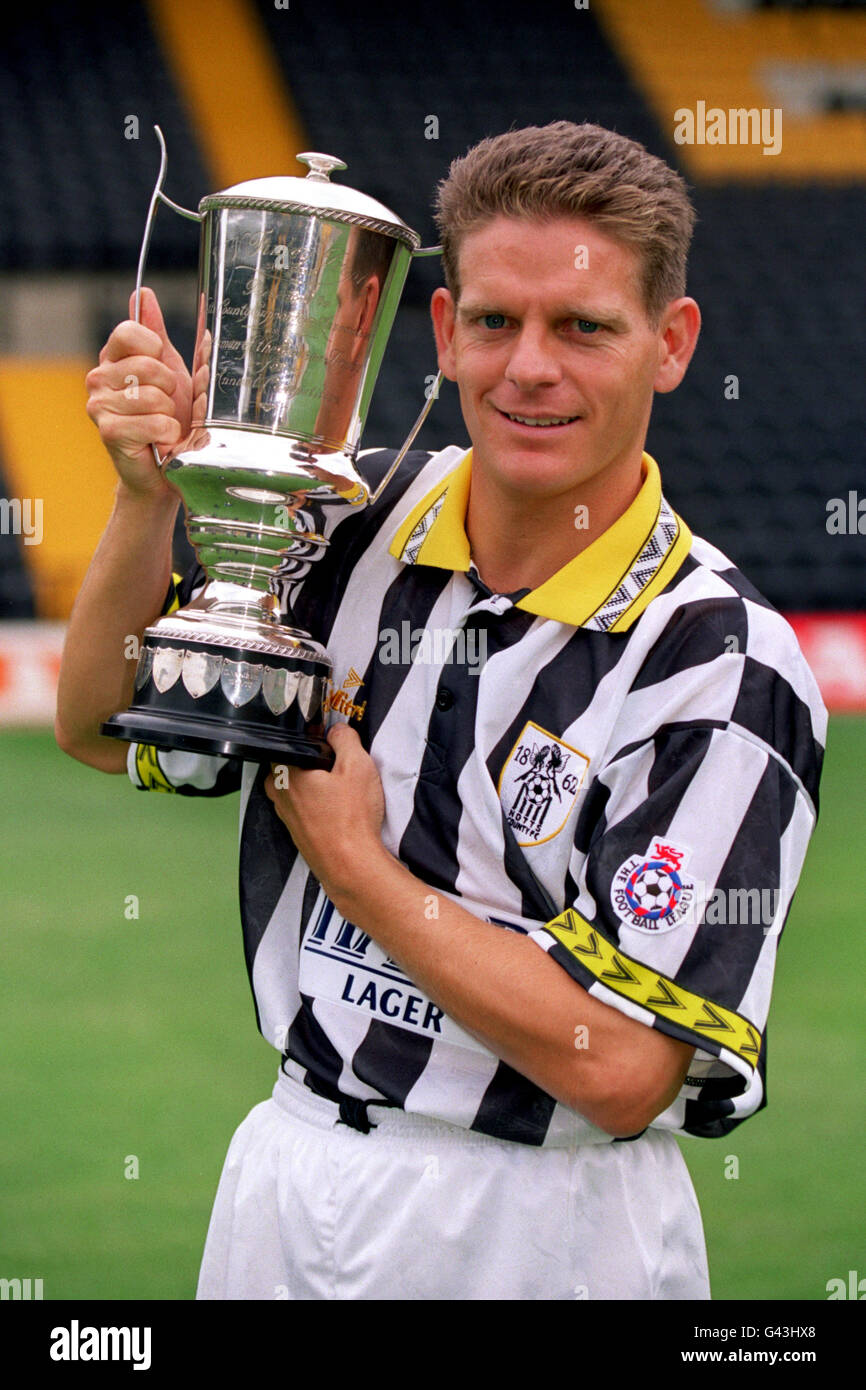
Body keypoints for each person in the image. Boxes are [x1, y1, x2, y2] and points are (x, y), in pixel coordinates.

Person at [57, 121, 826, 1301]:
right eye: (493, 321)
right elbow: (101, 727)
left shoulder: (718, 661)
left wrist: (361, 872)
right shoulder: (343, 525)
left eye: (582, 327)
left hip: (543, 1220)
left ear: (669, 345)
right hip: (289, 1166)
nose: (528, 367)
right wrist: (141, 501)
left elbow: (620, 1065)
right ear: (441, 329)